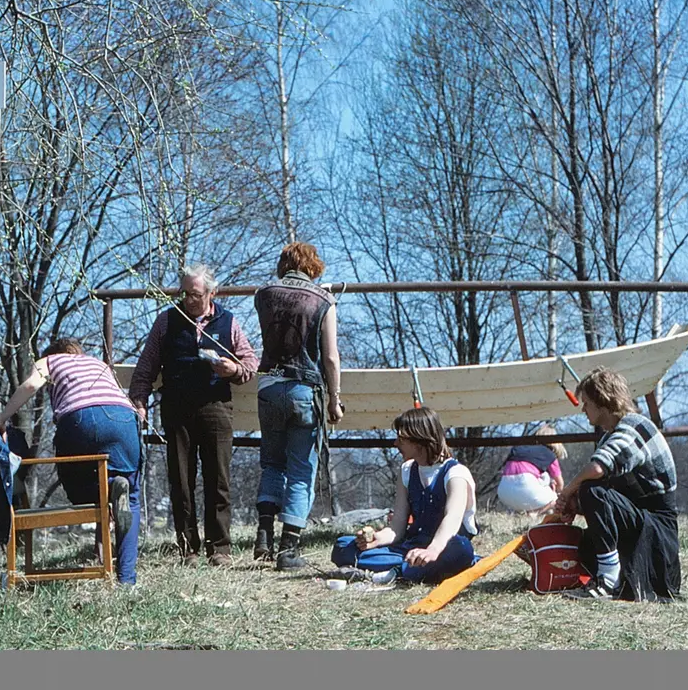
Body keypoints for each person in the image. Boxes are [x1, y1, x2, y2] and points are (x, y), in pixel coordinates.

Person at [128, 264, 258, 566]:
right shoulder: (166, 322)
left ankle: (220, 549)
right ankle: (187, 548)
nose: (188, 300)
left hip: (216, 407)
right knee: (180, 481)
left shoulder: (229, 322)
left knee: (219, 479)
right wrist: (139, 401)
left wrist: (234, 370)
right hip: (176, 407)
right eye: (184, 293)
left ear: (213, 293)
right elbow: (146, 366)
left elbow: (250, 362)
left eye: (195, 295)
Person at [0, 337, 141, 585]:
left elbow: (30, 386)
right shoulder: (99, 364)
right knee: (132, 495)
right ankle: (127, 580)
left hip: (79, 418)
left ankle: (109, 489)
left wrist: (1, 420)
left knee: (80, 490)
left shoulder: (49, 361)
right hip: (124, 417)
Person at [252, 242, 344, 569]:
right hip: (305, 390)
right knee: (301, 471)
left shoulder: (263, 293)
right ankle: (288, 550)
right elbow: (330, 357)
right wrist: (334, 398)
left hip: (268, 386)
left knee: (272, 464)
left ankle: (264, 533)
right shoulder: (323, 300)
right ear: (313, 266)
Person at [555, 366, 681, 602]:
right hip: (641, 523)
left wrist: (568, 491)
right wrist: (576, 504)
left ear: (603, 402)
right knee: (579, 539)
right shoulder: (612, 434)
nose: (583, 409)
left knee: (591, 489)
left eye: (587, 403)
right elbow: (612, 500)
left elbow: (598, 469)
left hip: (656, 536)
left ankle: (609, 581)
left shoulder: (634, 427)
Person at [330, 407, 481, 585]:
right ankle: (411, 569)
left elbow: (452, 518)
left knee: (461, 550)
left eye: (401, 439)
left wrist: (433, 550)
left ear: (419, 441)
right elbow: (397, 527)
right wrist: (377, 539)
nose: (396, 444)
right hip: (410, 548)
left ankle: (398, 571)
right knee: (343, 546)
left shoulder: (456, 474)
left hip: (443, 547)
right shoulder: (407, 471)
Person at [496, 424, 566, 513]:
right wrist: (555, 492)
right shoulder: (549, 454)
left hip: (503, 491)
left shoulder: (519, 448)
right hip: (526, 487)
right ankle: (535, 513)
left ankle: (519, 513)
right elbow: (560, 484)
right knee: (556, 500)